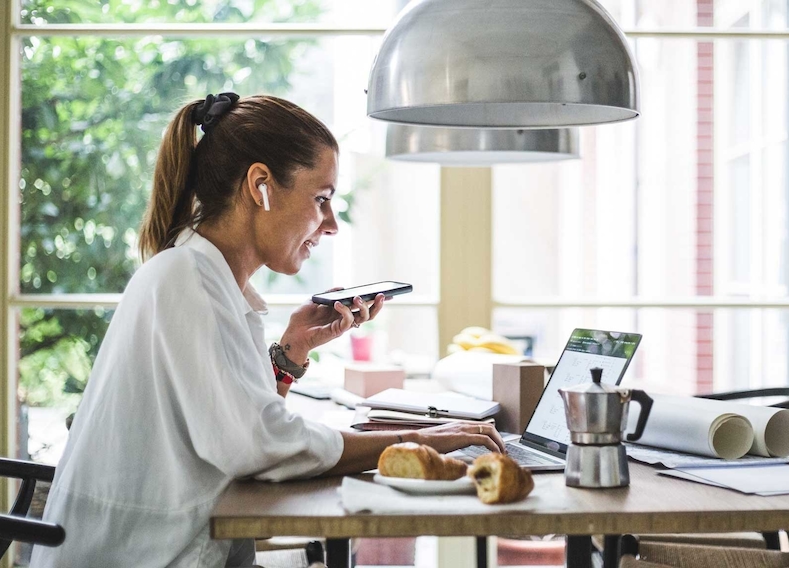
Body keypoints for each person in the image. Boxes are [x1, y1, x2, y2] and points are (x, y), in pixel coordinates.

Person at [30, 93, 505, 568]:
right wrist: (420, 440)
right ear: (260, 185)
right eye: (321, 200)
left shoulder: (203, 279)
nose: (332, 224)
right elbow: (257, 447)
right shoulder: (187, 282)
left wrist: (291, 351)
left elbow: (243, 429)